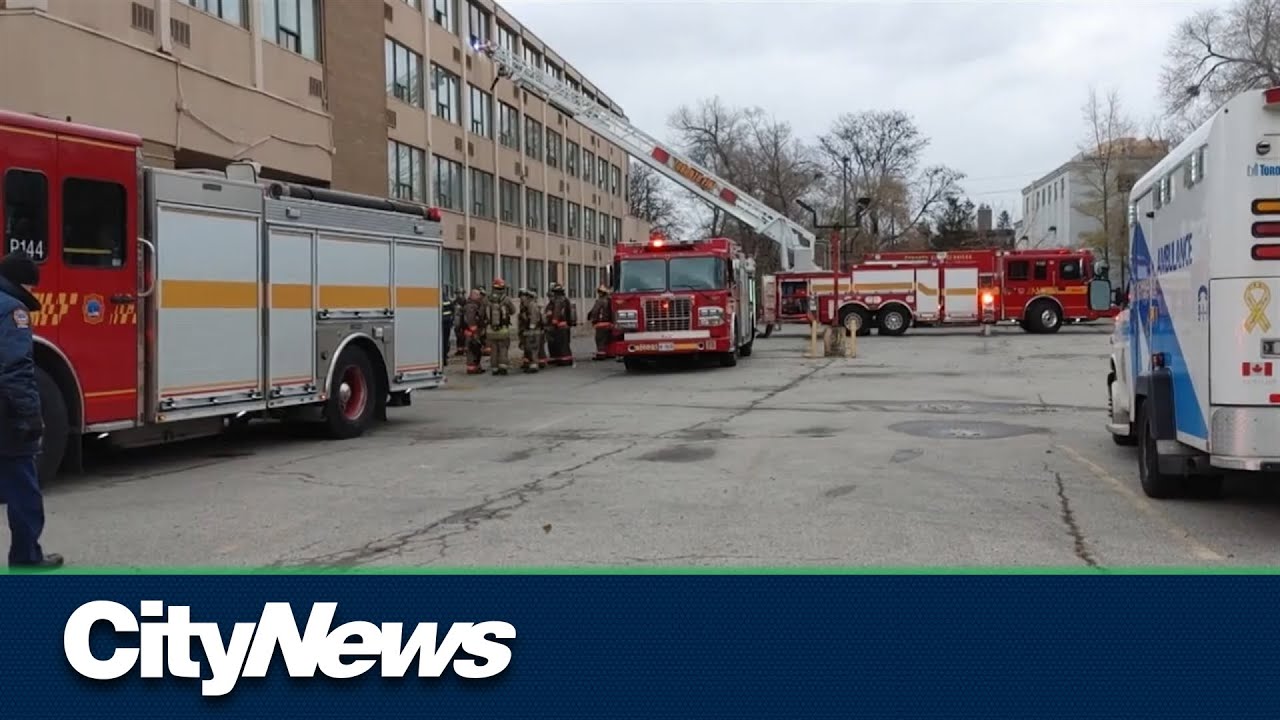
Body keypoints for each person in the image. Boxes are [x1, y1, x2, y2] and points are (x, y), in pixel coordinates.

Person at [0, 250, 62, 570]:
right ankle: (26, 556)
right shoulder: (13, 310)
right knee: (23, 486)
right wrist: (29, 414)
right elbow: (15, 369)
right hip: (6, 416)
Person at [483, 278, 517, 376]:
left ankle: (494, 368)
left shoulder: (486, 299)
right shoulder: (506, 299)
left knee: (493, 349)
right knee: (503, 348)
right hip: (503, 329)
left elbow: (481, 313)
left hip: (490, 329)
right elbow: (513, 311)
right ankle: (503, 367)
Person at [544, 283, 576, 366]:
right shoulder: (566, 300)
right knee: (564, 344)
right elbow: (570, 314)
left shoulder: (558, 301)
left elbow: (556, 313)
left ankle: (563, 360)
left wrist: (553, 322)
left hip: (558, 326)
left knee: (560, 344)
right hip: (565, 326)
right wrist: (570, 323)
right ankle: (564, 359)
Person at [517, 288, 544, 373]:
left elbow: (534, 318)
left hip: (533, 331)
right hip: (526, 330)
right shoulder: (524, 306)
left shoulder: (532, 305)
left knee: (533, 348)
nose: (521, 298)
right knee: (527, 348)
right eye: (520, 296)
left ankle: (533, 365)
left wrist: (531, 327)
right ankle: (528, 363)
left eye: (523, 296)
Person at [461, 288, 485, 375]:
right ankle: (471, 368)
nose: (479, 297)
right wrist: (474, 332)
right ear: (472, 295)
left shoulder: (476, 304)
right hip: (471, 332)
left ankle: (476, 366)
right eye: (477, 295)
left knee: (476, 349)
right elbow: (470, 320)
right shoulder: (470, 306)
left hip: (474, 332)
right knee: (471, 349)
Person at [587, 283, 614, 360]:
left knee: (600, 340)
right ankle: (610, 353)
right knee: (608, 339)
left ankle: (601, 354)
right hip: (610, 324)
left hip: (601, 324)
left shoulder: (600, 301)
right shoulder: (610, 301)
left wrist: (592, 319)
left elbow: (595, 311)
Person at [441, 289, 455, 366]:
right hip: (447, 323)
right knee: (445, 341)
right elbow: (453, 310)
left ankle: (442, 359)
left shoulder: (437, 299)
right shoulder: (448, 300)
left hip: (440, 324)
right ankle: (444, 359)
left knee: (441, 342)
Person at [452, 291, 467, 357]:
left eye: (460, 293)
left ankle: (464, 349)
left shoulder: (465, 302)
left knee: (464, 336)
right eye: (457, 294)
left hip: (464, 321)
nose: (459, 295)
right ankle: (460, 350)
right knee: (458, 336)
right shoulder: (455, 302)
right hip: (458, 321)